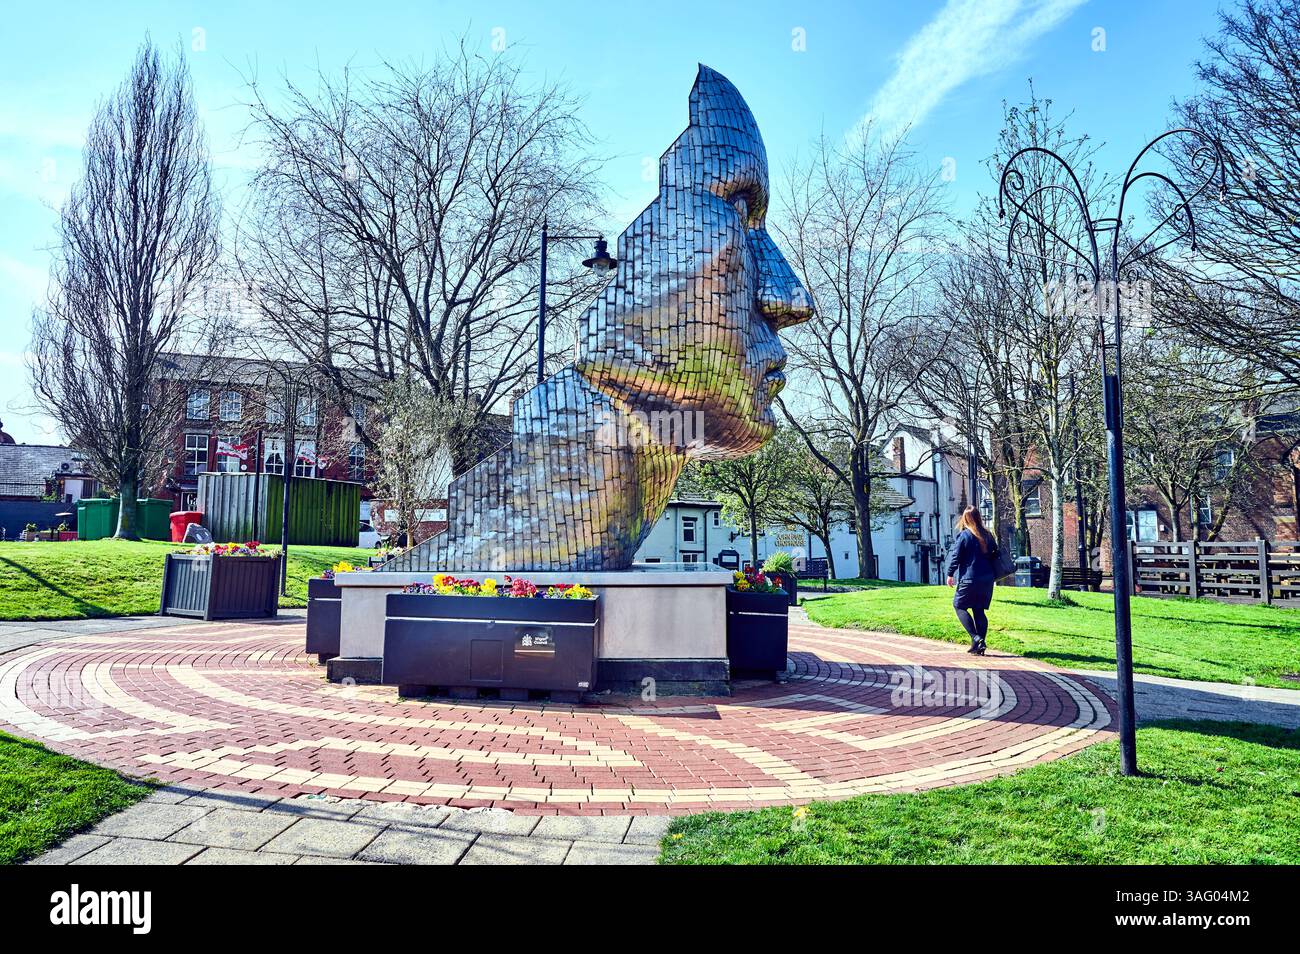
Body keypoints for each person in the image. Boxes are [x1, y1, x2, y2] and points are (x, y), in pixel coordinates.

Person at [946, 506, 997, 655]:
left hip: (969, 578)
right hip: (987, 579)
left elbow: (956, 557)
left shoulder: (964, 536)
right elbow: (995, 553)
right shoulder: (988, 535)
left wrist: (950, 574)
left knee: (959, 606)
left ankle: (976, 638)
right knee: (979, 610)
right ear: (978, 517)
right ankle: (978, 646)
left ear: (965, 519)